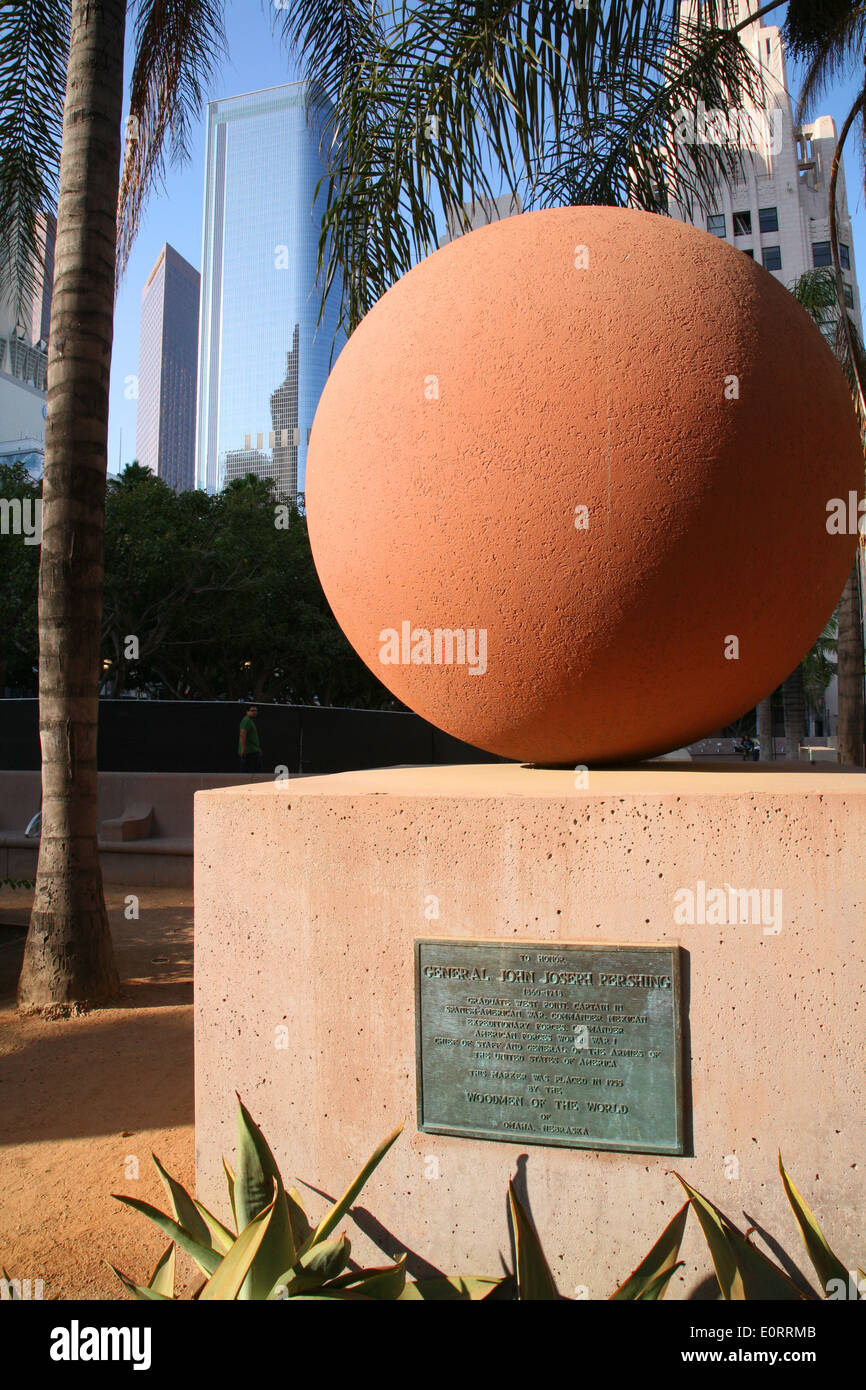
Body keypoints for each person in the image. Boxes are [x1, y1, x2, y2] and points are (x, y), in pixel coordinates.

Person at [238, 705, 263, 773]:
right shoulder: (246, 720)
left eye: (256, 711)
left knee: (250, 771)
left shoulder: (250, 721)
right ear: (247, 712)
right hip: (248, 751)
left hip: (253, 750)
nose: (254, 712)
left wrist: (257, 748)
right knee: (253, 772)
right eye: (252, 711)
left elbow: (251, 737)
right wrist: (243, 749)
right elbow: (242, 734)